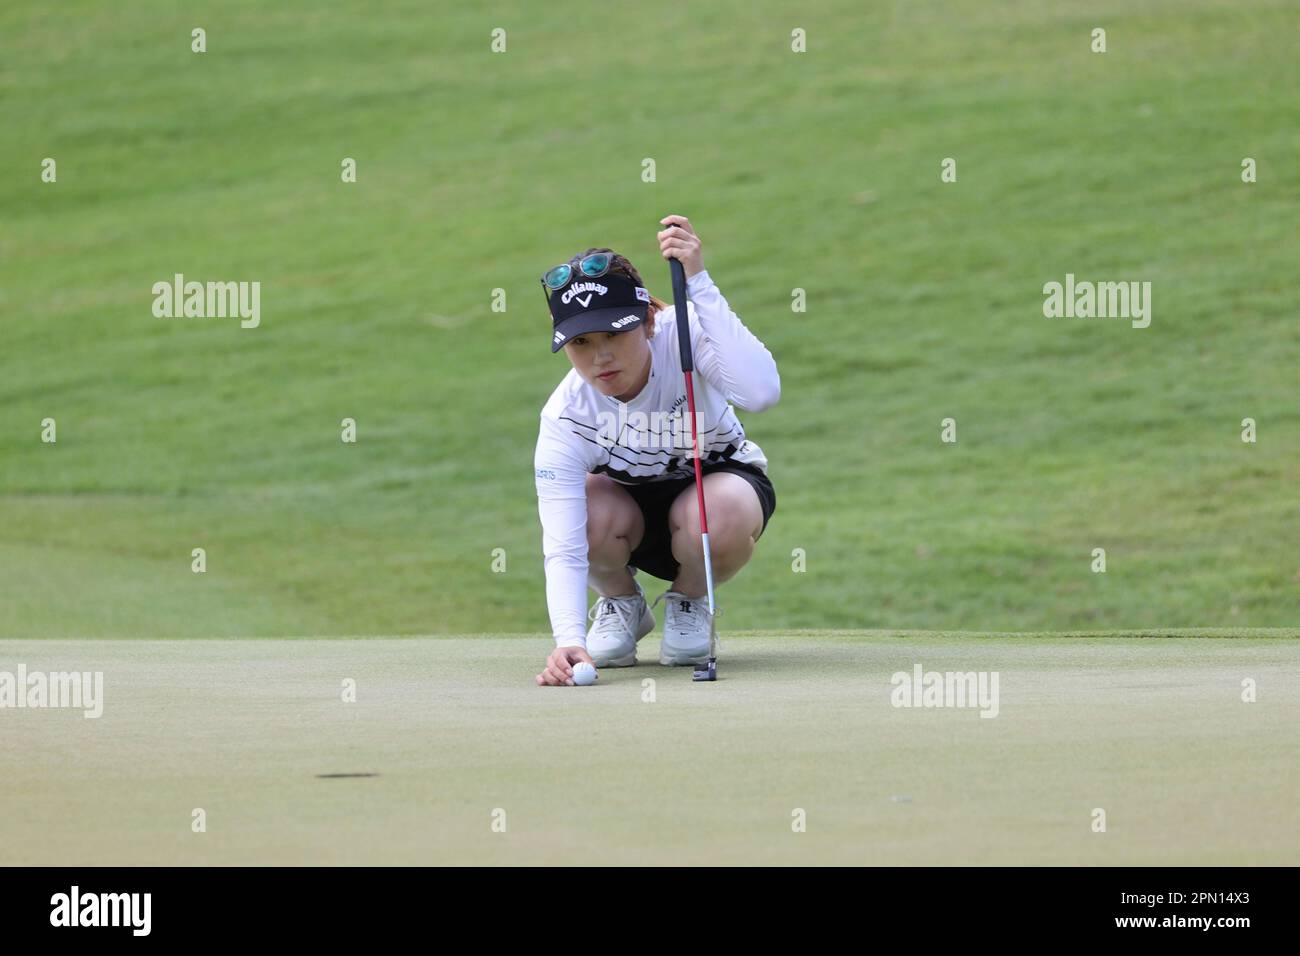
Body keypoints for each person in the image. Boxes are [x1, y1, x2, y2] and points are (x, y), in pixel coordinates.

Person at [533, 215, 781, 686]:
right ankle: (621, 603)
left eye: (614, 334)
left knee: (716, 511)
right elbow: (563, 546)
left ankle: (689, 598)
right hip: (629, 517)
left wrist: (699, 283)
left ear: (648, 320)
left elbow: (762, 392)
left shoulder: (684, 334)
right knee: (588, 508)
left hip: (718, 489)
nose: (600, 357)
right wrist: (568, 638)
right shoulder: (566, 415)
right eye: (581, 342)